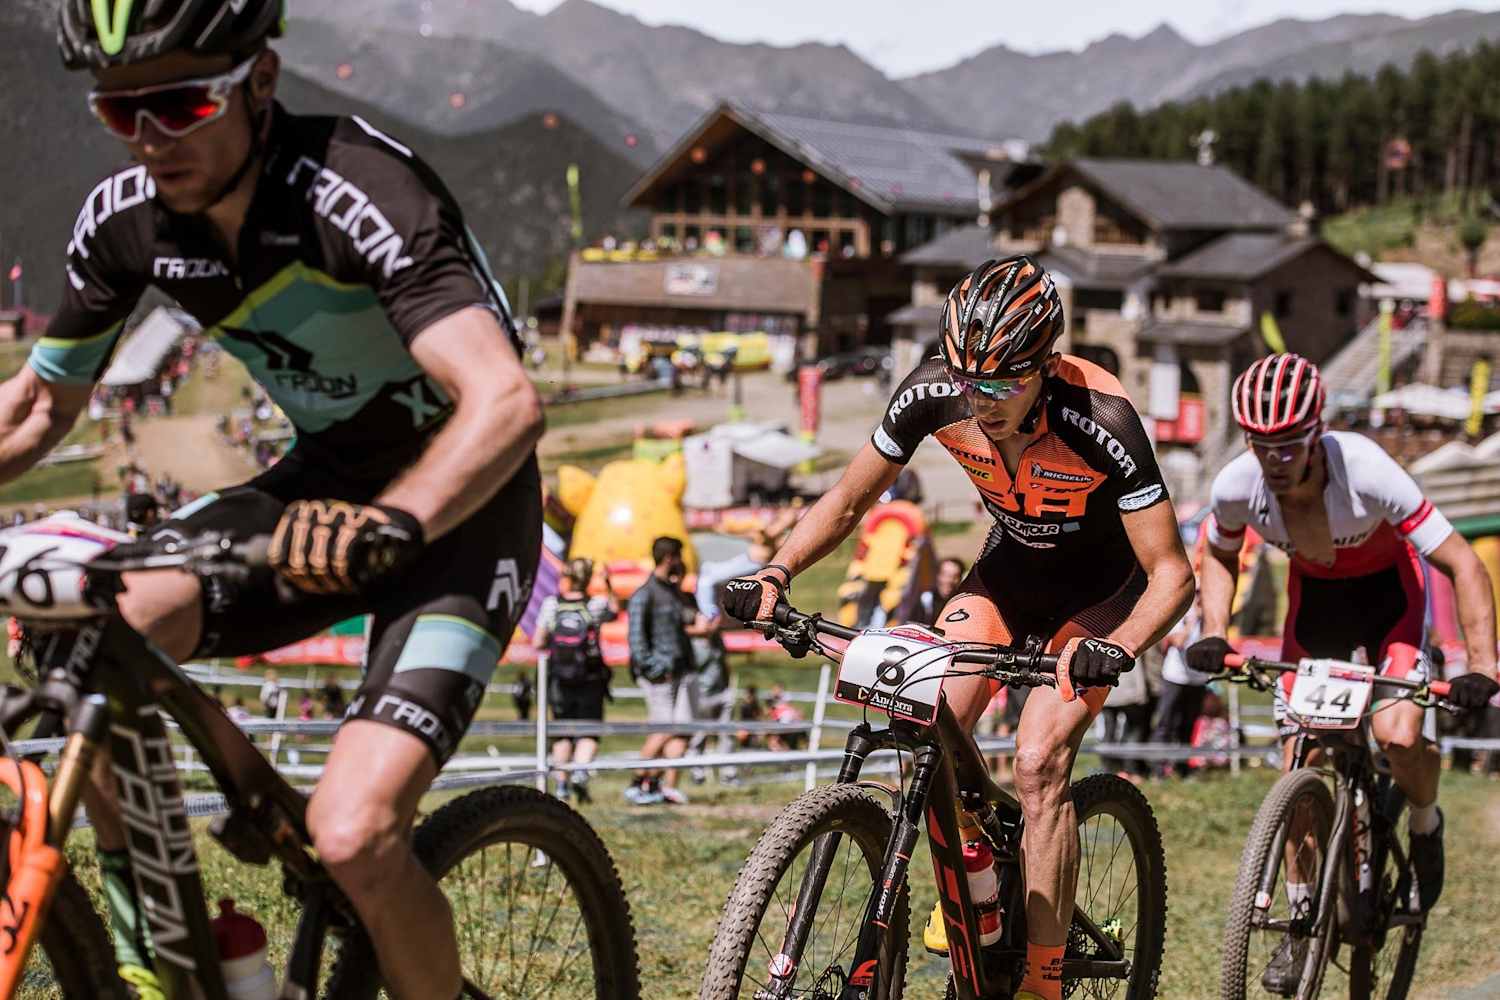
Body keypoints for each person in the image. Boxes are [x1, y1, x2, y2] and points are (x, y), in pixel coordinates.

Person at [15, 6, 544, 997]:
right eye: (119, 110)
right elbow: (39, 406)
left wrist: (397, 522)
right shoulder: (126, 220)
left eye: (179, 103)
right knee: (94, 623)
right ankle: (157, 948)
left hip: (460, 516)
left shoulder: (358, 189)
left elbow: (504, 398)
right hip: (320, 488)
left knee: (354, 833)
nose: (149, 139)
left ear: (262, 80)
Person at [723, 255, 1194, 1000]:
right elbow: (848, 502)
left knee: (1037, 763)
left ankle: (1042, 981)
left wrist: (1121, 647)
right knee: (927, 715)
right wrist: (777, 572)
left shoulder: (1101, 419)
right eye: (970, 381)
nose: (984, 400)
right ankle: (978, 874)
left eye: (1005, 382)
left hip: (1100, 598)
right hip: (1006, 577)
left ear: (1046, 365)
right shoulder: (932, 394)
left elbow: (1173, 573)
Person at [1187, 353, 1499, 994]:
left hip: (1392, 600)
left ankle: (1424, 821)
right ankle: (1303, 920)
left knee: (1400, 736)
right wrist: (1213, 630)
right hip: (1317, 606)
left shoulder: (1368, 469)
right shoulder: (1234, 485)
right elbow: (1219, 555)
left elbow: (1463, 564)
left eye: (1290, 444)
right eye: (1261, 444)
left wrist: (1484, 667)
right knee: (1299, 754)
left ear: (1317, 431)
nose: (1275, 459)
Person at [625, 536, 703, 805]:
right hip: (660, 676)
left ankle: (665, 786)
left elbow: (687, 618)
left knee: (683, 730)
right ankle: (637, 782)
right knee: (664, 728)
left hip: (683, 671)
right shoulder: (644, 594)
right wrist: (654, 668)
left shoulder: (672, 591)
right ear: (670, 557)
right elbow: (636, 640)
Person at [534, 558, 618, 802]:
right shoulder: (596, 605)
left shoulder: (551, 605)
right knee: (589, 730)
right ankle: (580, 771)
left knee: (562, 731)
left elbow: (539, 642)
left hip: (559, 678)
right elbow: (614, 612)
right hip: (590, 678)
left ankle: (561, 785)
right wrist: (608, 584)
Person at [908, 556, 965, 627]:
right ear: (938, 575)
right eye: (945, 575)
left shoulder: (963, 604)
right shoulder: (925, 599)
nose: (949, 580)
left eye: (955, 576)